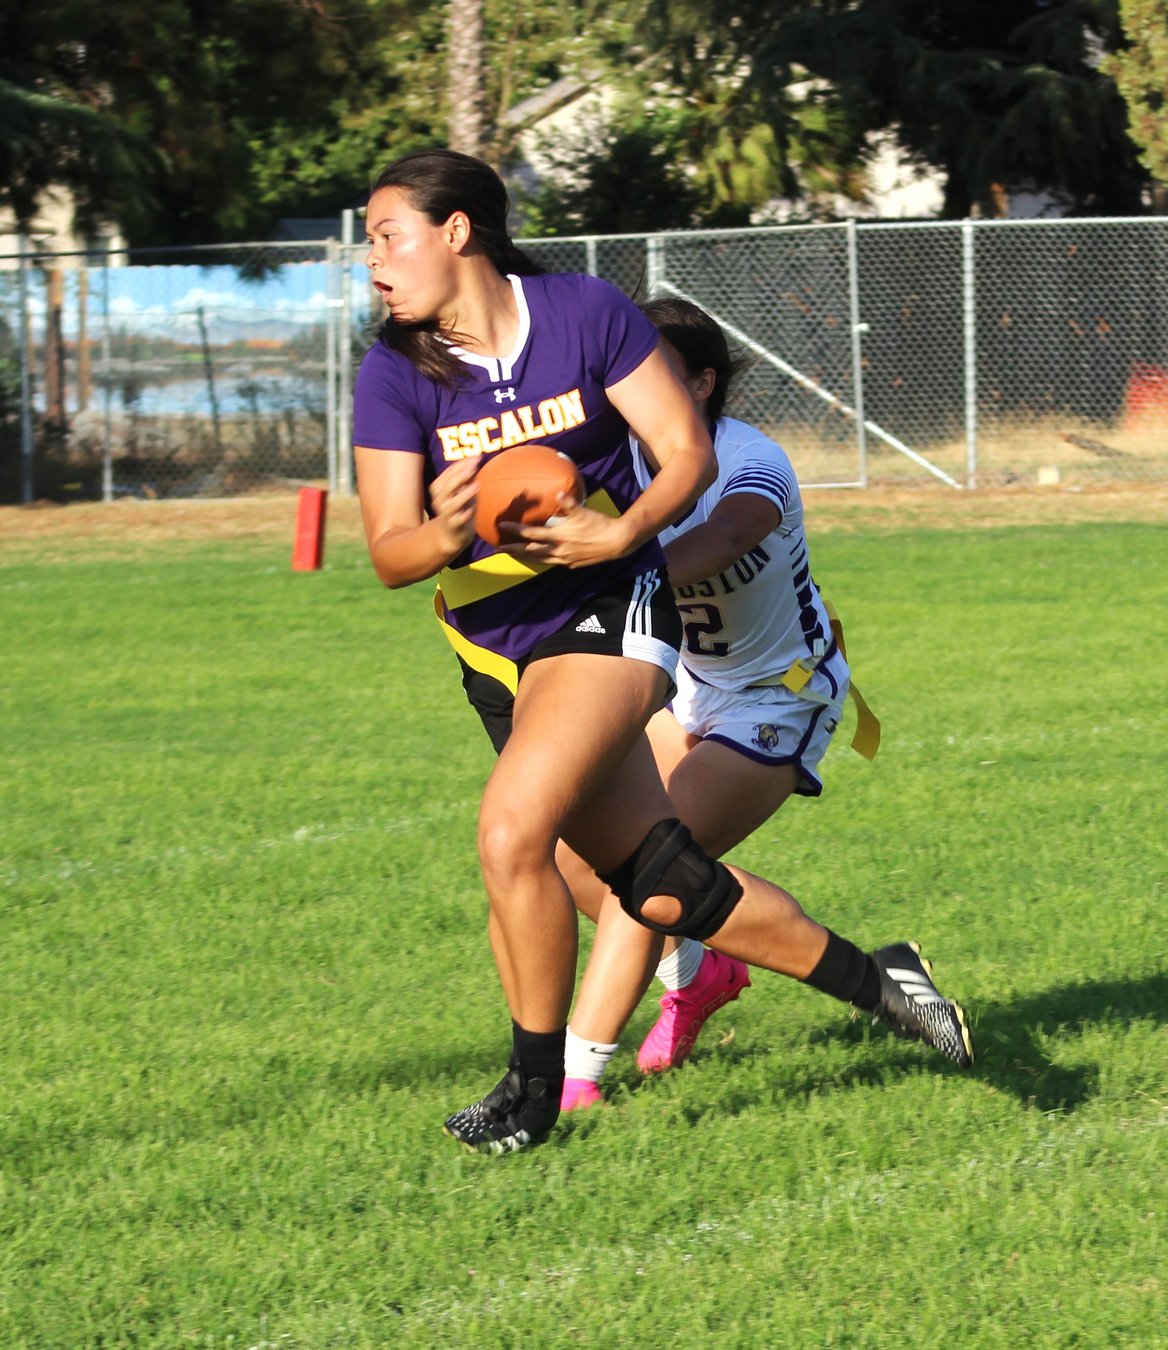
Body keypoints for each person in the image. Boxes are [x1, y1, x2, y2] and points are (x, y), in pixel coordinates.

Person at [352, 148, 973, 1156]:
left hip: (608, 609)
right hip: (488, 642)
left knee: (511, 832)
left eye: (386, 236)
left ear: (455, 230)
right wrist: (450, 525)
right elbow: (389, 553)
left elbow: (685, 451)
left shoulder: (586, 314)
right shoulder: (392, 370)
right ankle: (882, 984)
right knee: (661, 884)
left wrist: (619, 531)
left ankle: (533, 1089)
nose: (372, 261)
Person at [555, 296, 878, 1109]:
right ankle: (700, 972)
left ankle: (574, 1084)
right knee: (569, 855)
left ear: (700, 383)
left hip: (777, 693)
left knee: (649, 871)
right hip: (687, 688)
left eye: (647, 364)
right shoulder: (617, 455)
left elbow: (725, 540)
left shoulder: (749, 459)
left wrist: (616, 555)